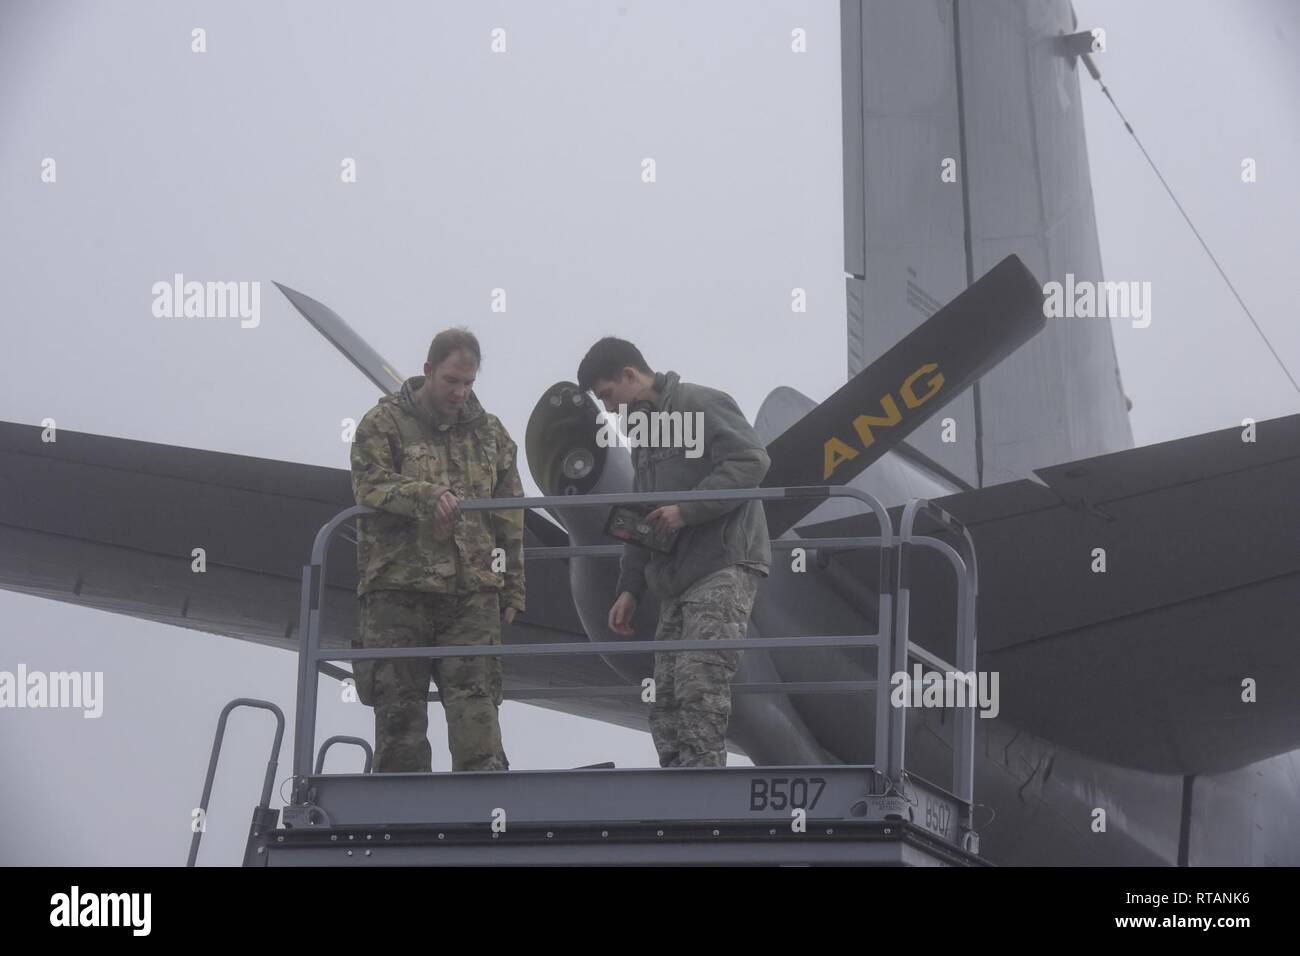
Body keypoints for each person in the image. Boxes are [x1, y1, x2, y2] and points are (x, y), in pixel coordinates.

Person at [577, 337, 770, 768]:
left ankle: (702, 795)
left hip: (722, 564)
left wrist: (687, 509)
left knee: (699, 683)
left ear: (630, 376)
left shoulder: (700, 403)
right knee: (665, 697)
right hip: (675, 577)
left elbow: (751, 461)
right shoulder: (645, 438)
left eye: (608, 396)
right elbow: (642, 512)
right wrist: (629, 589)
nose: (609, 410)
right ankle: (678, 789)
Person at [349, 327, 524, 772]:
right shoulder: (382, 423)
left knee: (478, 720)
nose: (460, 392)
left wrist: (513, 585)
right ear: (428, 371)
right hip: (397, 591)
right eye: (451, 381)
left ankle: (486, 819)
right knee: (399, 720)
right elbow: (369, 484)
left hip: (471, 595)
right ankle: (402, 823)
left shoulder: (491, 435)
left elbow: (510, 515)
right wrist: (425, 498)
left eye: (468, 383)